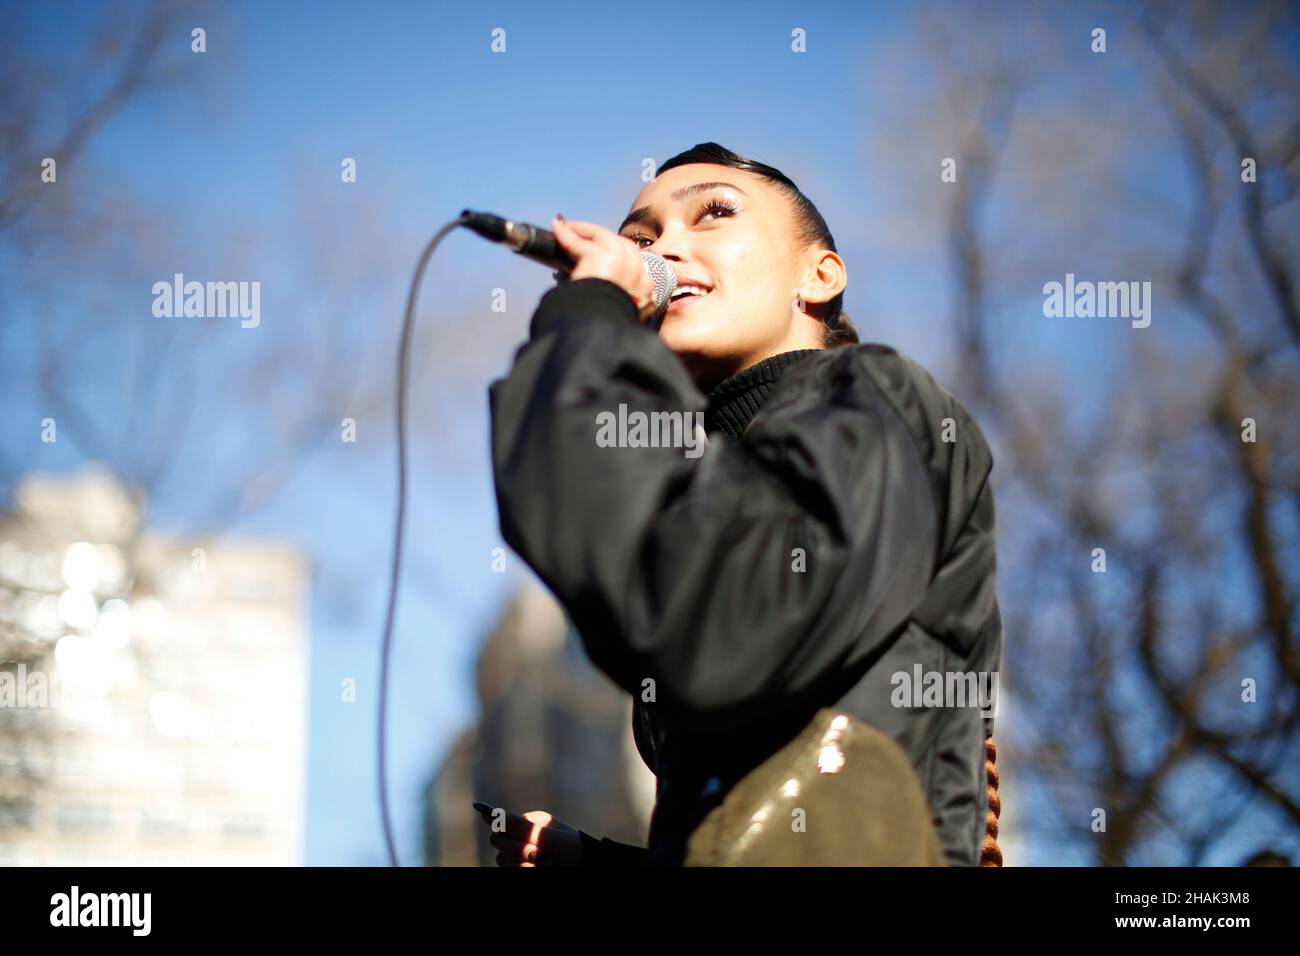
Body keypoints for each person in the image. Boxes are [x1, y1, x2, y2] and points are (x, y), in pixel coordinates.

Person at [478, 143, 1003, 867]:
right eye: (641, 239)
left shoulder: (883, 405)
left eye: (714, 213)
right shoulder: (710, 479)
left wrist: (588, 326)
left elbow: (716, 631)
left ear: (819, 276)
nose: (663, 250)